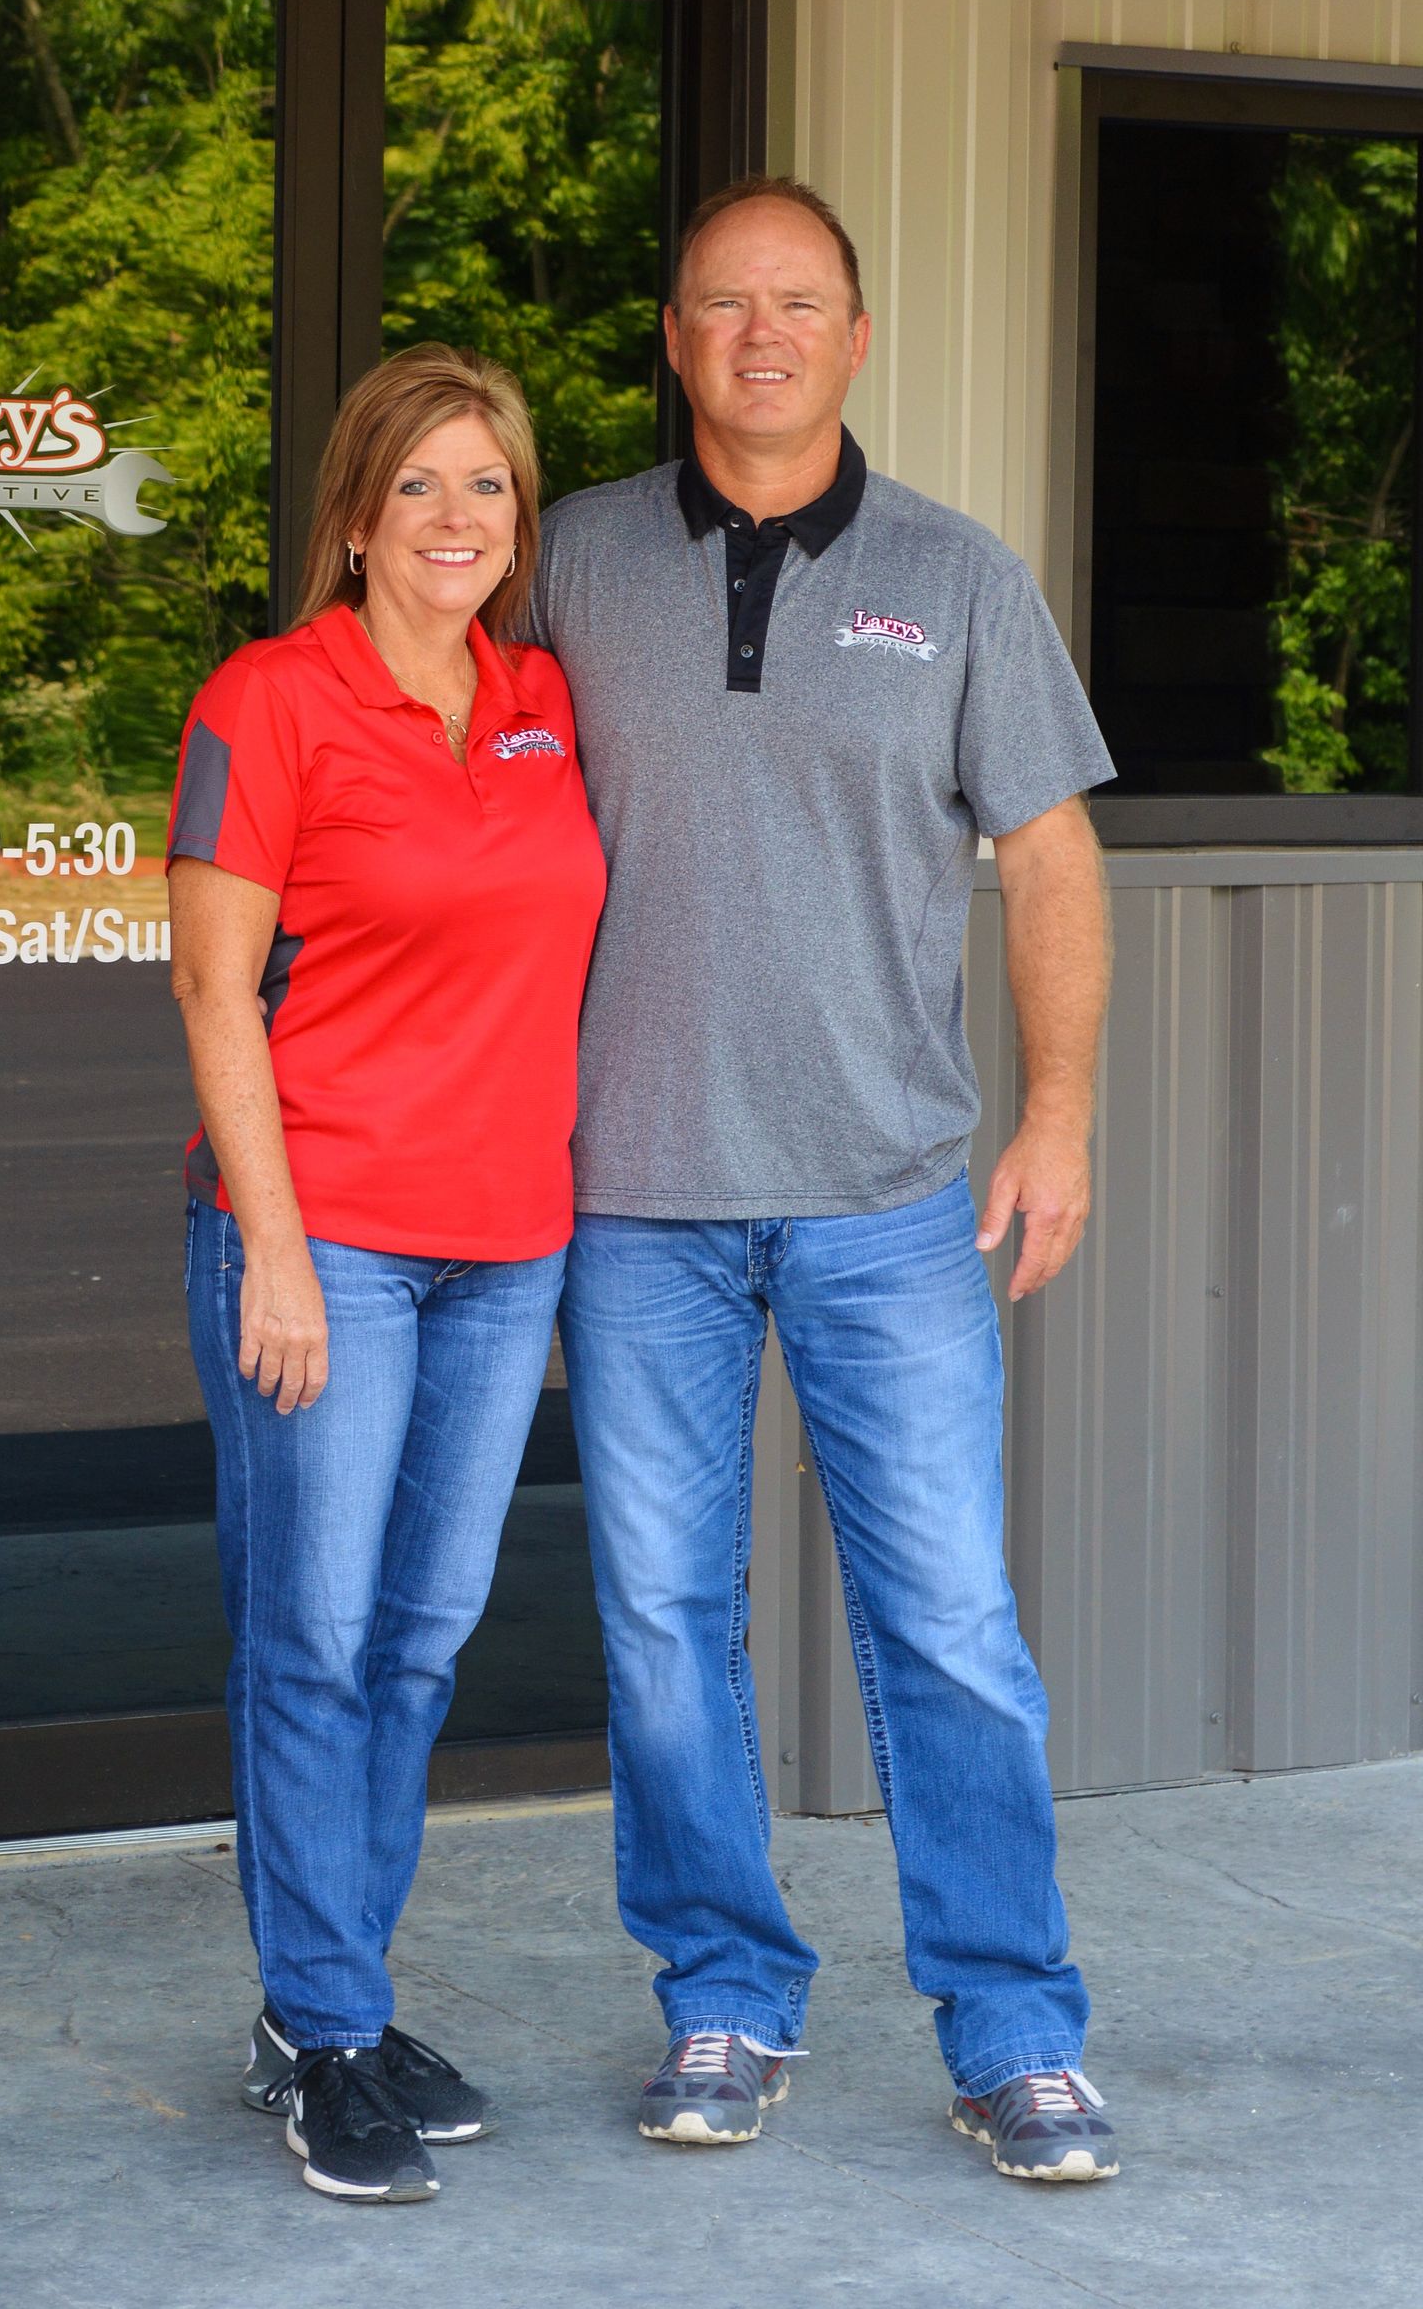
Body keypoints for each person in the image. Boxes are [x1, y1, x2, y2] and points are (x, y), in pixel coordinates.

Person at [528, 175, 1122, 2184]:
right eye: (722, 304)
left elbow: (1049, 861)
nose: (760, 334)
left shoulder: (957, 577)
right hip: (634, 1199)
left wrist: (1059, 1117)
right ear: (675, 337)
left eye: (799, 303)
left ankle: (1017, 2030)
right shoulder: (571, 563)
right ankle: (720, 1995)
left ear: (857, 337)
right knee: (661, 1620)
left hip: (889, 1197)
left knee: (947, 1622)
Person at [167, 344, 606, 2206]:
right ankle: (327, 2021)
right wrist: (272, 1247)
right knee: (316, 1638)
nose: (456, 520)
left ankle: (320, 1995)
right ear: (354, 514)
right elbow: (211, 989)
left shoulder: (546, 699)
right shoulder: (265, 702)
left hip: (508, 1247)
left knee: (419, 1643)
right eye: (418, 486)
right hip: (322, 1234)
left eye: (488, 487)